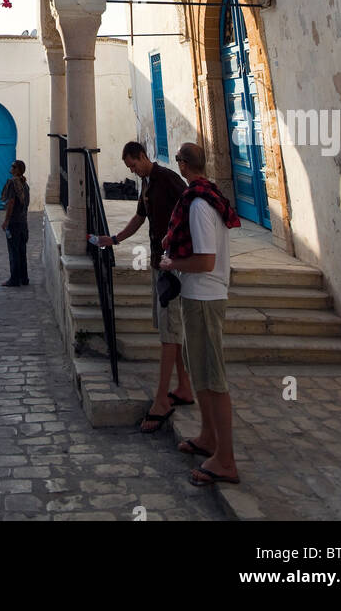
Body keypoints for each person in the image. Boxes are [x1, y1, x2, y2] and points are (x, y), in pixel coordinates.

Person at [95, 142, 195, 433]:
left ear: (142, 156)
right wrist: (114, 239)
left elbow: (192, 208)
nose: (132, 171)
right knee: (169, 330)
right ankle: (184, 387)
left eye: (133, 165)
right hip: (158, 264)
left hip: (172, 265)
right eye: (129, 168)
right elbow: (140, 217)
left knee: (169, 330)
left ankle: (162, 400)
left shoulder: (167, 178)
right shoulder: (147, 183)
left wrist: (179, 247)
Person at [159, 141, 241, 486]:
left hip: (205, 298)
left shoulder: (198, 205)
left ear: (182, 163)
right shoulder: (210, 195)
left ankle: (225, 459)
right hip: (200, 298)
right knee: (202, 374)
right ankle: (208, 437)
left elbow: (205, 262)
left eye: (177, 158)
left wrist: (171, 263)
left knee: (214, 379)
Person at [0, 160, 30, 287]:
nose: (11, 168)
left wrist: (6, 220)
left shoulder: (12, 183)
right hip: (23, 222)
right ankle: (24, 278)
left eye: (13, 166)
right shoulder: (25, 184)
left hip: (14, 222)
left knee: (13, 251)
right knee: (22, 251)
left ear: (17, 170)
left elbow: (11, 202)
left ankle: (14, 279)